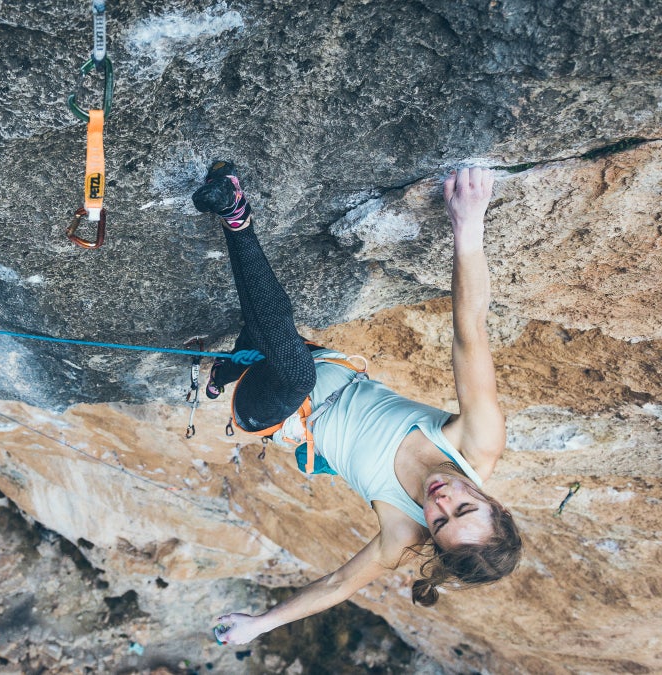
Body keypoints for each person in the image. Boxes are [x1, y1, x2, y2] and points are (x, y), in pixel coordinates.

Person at [191, 162, 521, 645]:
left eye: (440, 522)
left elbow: (339, 584)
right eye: (465, 509)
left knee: (292, 367)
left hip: (273, 408)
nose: (442, 501)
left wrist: (261, 624)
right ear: (494, 503)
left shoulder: (401, 533)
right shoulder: (477, 444)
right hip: (317, 359)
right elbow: (470, 334)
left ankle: (235, 213)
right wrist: (468, 226)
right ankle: (235, 363)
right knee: (277, 336)